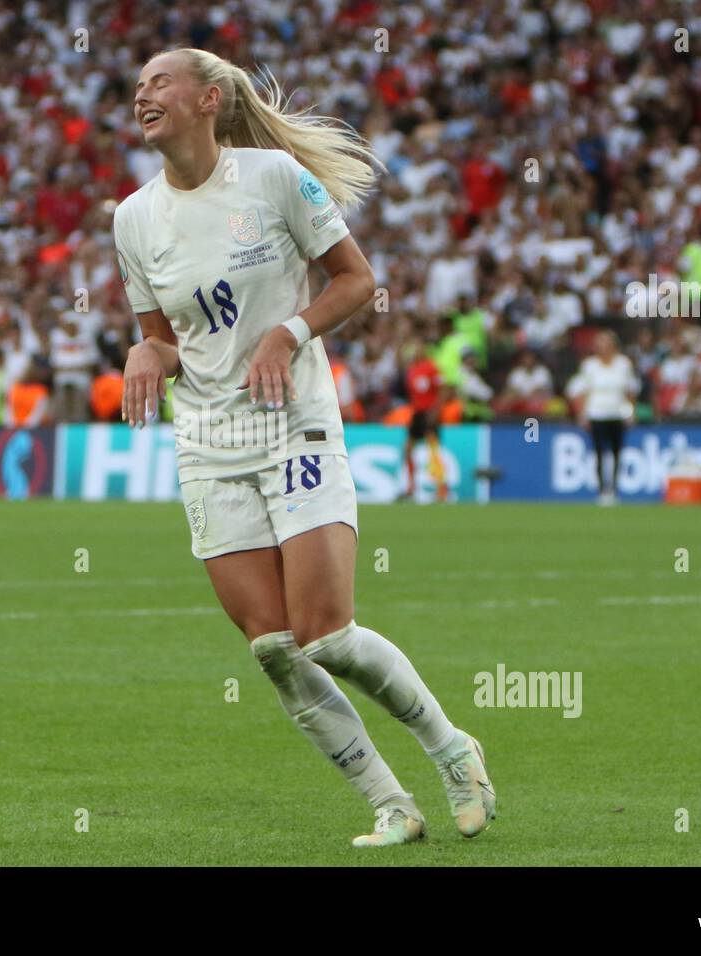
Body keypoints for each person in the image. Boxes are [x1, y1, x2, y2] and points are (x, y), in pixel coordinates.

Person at [114, 48, 494, 848]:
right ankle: (391, 805)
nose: (142, 93)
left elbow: (356, 280)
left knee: (325, 631)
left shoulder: (276, 180)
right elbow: (164, 336)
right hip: (209, 442)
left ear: (208, 99)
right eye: (138, 85)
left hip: (294, 423)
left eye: (159, 82)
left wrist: (289, 333)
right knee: (275, 649)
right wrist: (147, 352)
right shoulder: (133, 218)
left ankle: (452, 748)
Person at [566, 330, 638, 505]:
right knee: (599, 453)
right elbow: (582, 391)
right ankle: (602, 490)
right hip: (596, 414)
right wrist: (582, 414)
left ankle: (613, 489)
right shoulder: (589, 366)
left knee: (616, 452)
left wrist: (630, 412)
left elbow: (629, 391)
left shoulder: (623, 364)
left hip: (617, 413)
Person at [400, 343, 450, 501]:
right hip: (418, 413)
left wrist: (436, 410)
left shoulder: (432, 368)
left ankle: (441, 487)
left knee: (433, 450)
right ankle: (411, 486)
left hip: (430, 412)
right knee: (408, 449)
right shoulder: (412, 371)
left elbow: (443, 389)